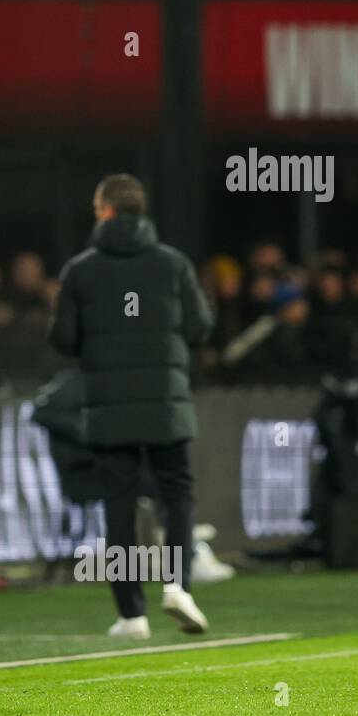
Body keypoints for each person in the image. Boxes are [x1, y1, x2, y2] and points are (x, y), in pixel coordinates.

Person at [50, 174, 214, 639]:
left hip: (110, 408)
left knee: (118, 506)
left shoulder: (81, 270)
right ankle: (178, 584)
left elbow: (62, 339)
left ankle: (131, 615)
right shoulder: (174, 264)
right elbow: (201, 328)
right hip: (166, 404)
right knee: (177, 495)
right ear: (141, 212)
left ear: (104, 210)